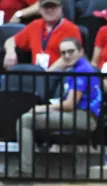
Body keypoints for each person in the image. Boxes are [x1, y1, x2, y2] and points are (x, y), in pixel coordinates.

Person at [13, 37, 102, 176]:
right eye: (63, 53)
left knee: (26, 120)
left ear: (81, 51)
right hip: (76, 114)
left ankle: (26, 171)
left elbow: (70, 104)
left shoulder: (81, 70)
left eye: (71, 51)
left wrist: (43, 108)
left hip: (83, 117)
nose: (66, 56)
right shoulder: (75, 68)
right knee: (29, 118)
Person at [2, 0, 82, 70]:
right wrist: (10, 52)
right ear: (40, 10)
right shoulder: (35, 25)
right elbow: (11, 40)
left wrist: (47, 74)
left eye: (53, 7)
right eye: (46, 7)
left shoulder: (71, 29)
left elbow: (70, 57)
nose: (50, 10)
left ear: (60, 8)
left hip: (60, 74)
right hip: (38, 75)